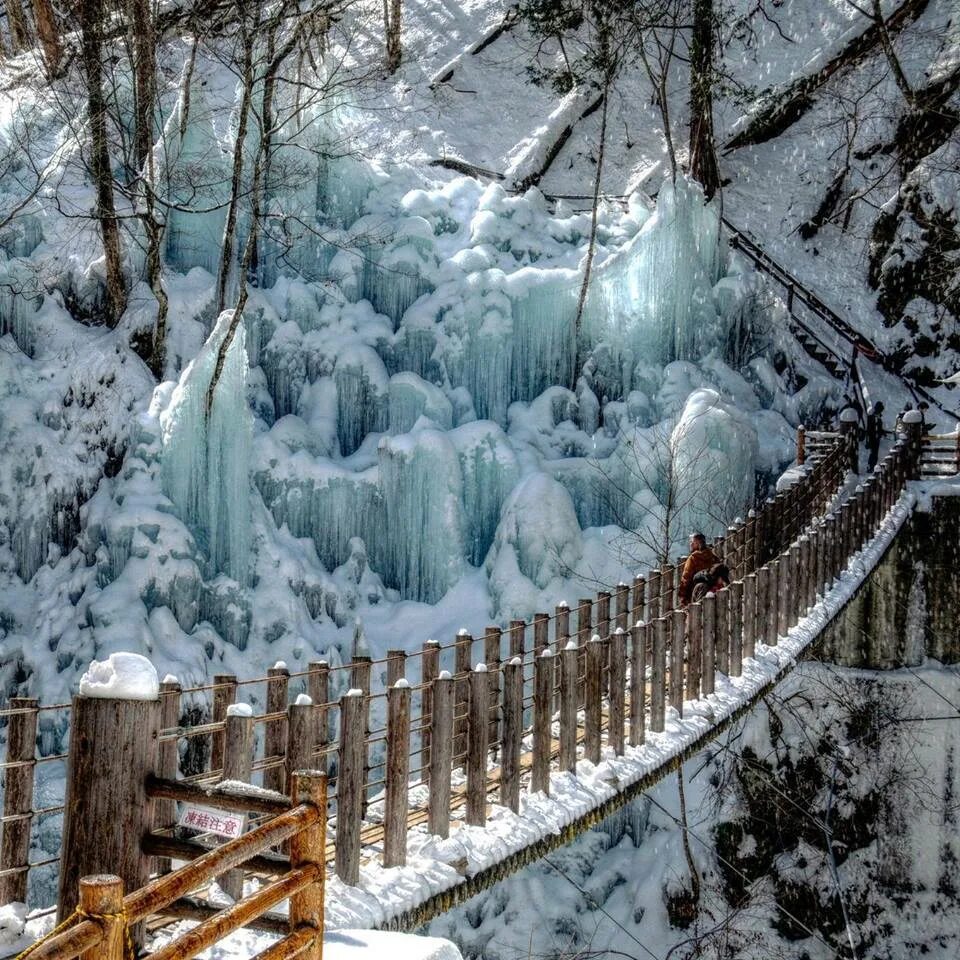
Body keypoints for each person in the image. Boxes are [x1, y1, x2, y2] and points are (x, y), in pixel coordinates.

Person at [678, 533, 727, 606]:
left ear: (698, 544)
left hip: (697, 591)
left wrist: (682, 597)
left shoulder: (693, 558)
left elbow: (686, 578)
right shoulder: (713, 557)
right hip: (713, 592)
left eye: (692, 542)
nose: (690, 545)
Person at [866, 401, 884, 471]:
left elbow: (878, 428)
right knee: (873, 453)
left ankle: (872, 466)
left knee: (874, 453)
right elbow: (870, 429)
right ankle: (871, 466)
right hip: (873, 438)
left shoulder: (877, 417)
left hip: (876, 438)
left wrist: (881, 432)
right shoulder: (872, 418)